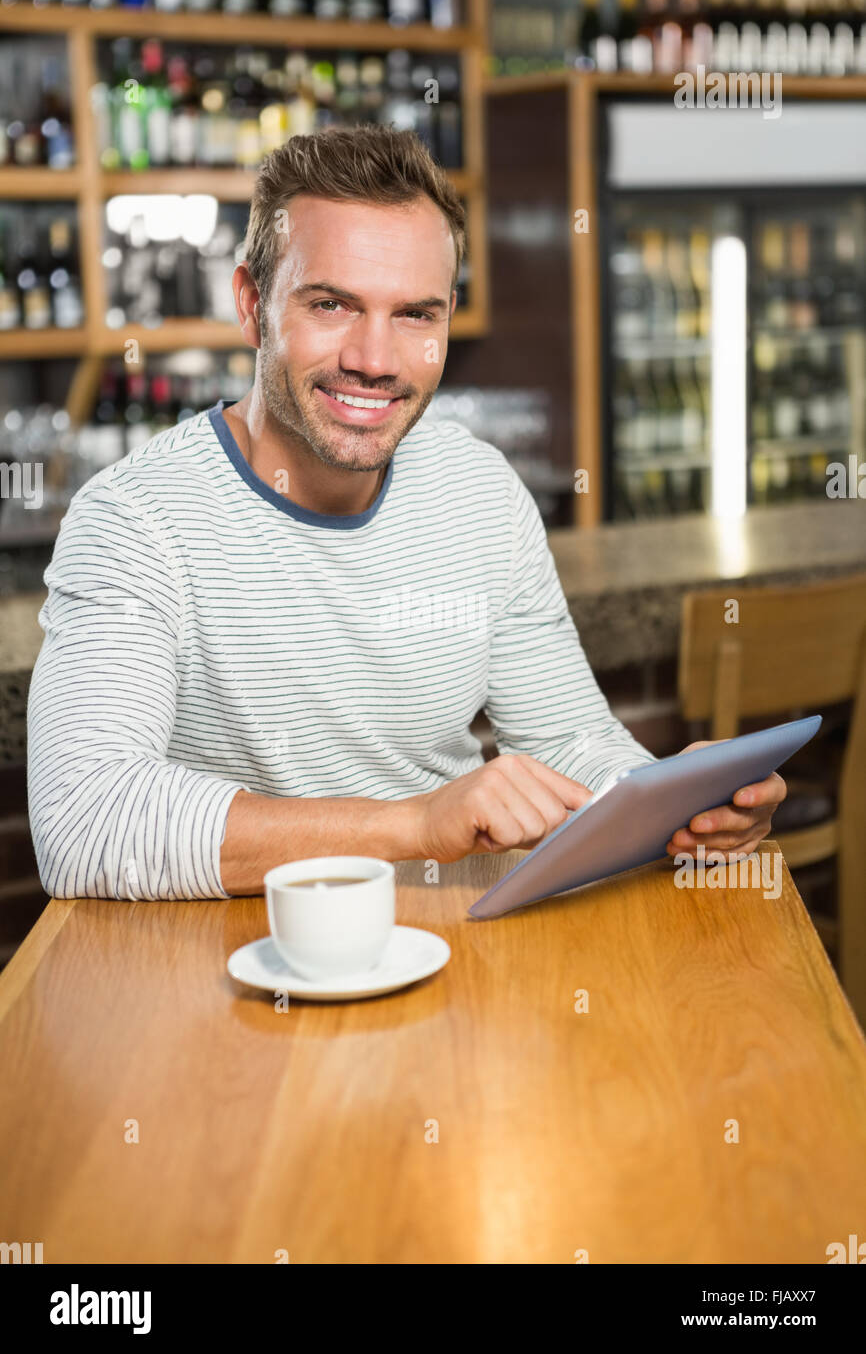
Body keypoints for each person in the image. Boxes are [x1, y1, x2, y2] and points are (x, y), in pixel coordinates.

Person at [26, 126, 784, 900]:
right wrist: (416, 825)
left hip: (453, 943)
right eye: (331, 304)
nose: (376, 359)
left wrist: (674, 802)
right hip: (229, 970)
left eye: (416, 315)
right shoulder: (133, 519)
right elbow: (85, 820)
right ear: (254, 307)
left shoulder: (481, 490)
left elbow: (568, 742)